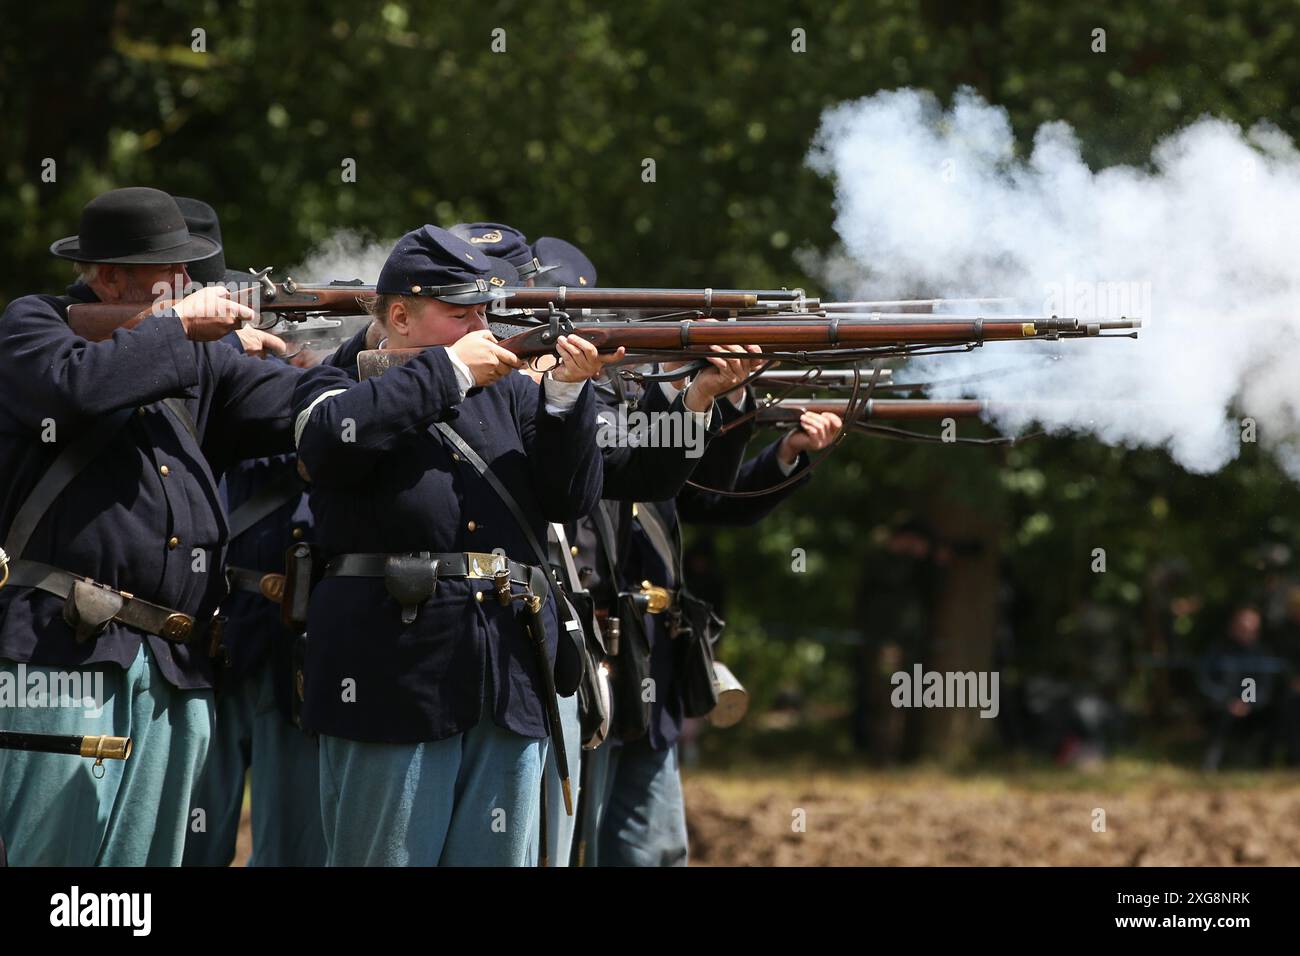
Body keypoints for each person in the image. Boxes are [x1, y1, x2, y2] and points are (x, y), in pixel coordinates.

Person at [291, 224, 615, 866]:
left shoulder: (515, 393)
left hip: (508, 674)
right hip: (390, 678)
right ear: (401, 315)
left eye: (481, 313)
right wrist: (448, 372)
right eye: (459, 314)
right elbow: (328, 440)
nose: (480, 327)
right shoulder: (336, 384)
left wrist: (567, 397)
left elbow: (568, 499)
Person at [0, 186, 303, 865]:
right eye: (171, 270)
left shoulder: (183, 351)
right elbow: (74, 388)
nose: (189, 282)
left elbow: (295, 406)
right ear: (106, 277)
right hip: (60, 651)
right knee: (60, 866)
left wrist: (384, 353)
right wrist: (175, 329)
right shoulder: (32, 323)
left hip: (172, 658)